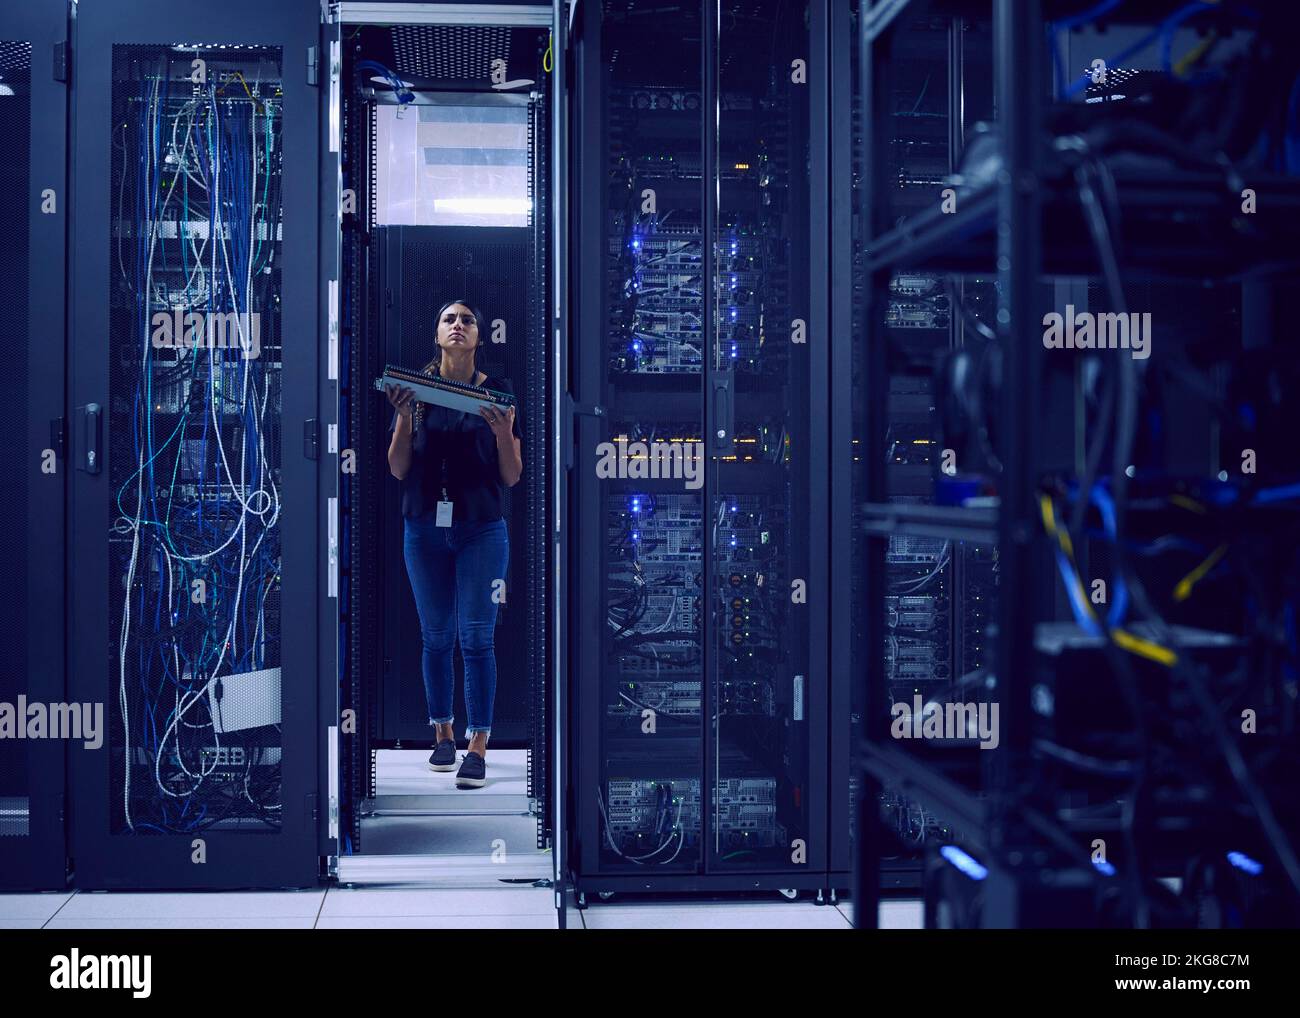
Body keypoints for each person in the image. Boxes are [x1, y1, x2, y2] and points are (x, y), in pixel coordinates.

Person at [385, 299, 522, 789]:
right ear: (437, 335)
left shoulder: (498, 393)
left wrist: (504, 433)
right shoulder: (416, 392)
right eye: (449, 319)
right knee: (437, 635)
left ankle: (478, 744)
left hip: (481, 529)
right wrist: (402, 419)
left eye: (468, 320)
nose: (459, 325)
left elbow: (511, 475)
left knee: (476, 638)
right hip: (423, 528)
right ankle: (442, 733)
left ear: (479, 338)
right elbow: (398, 469)